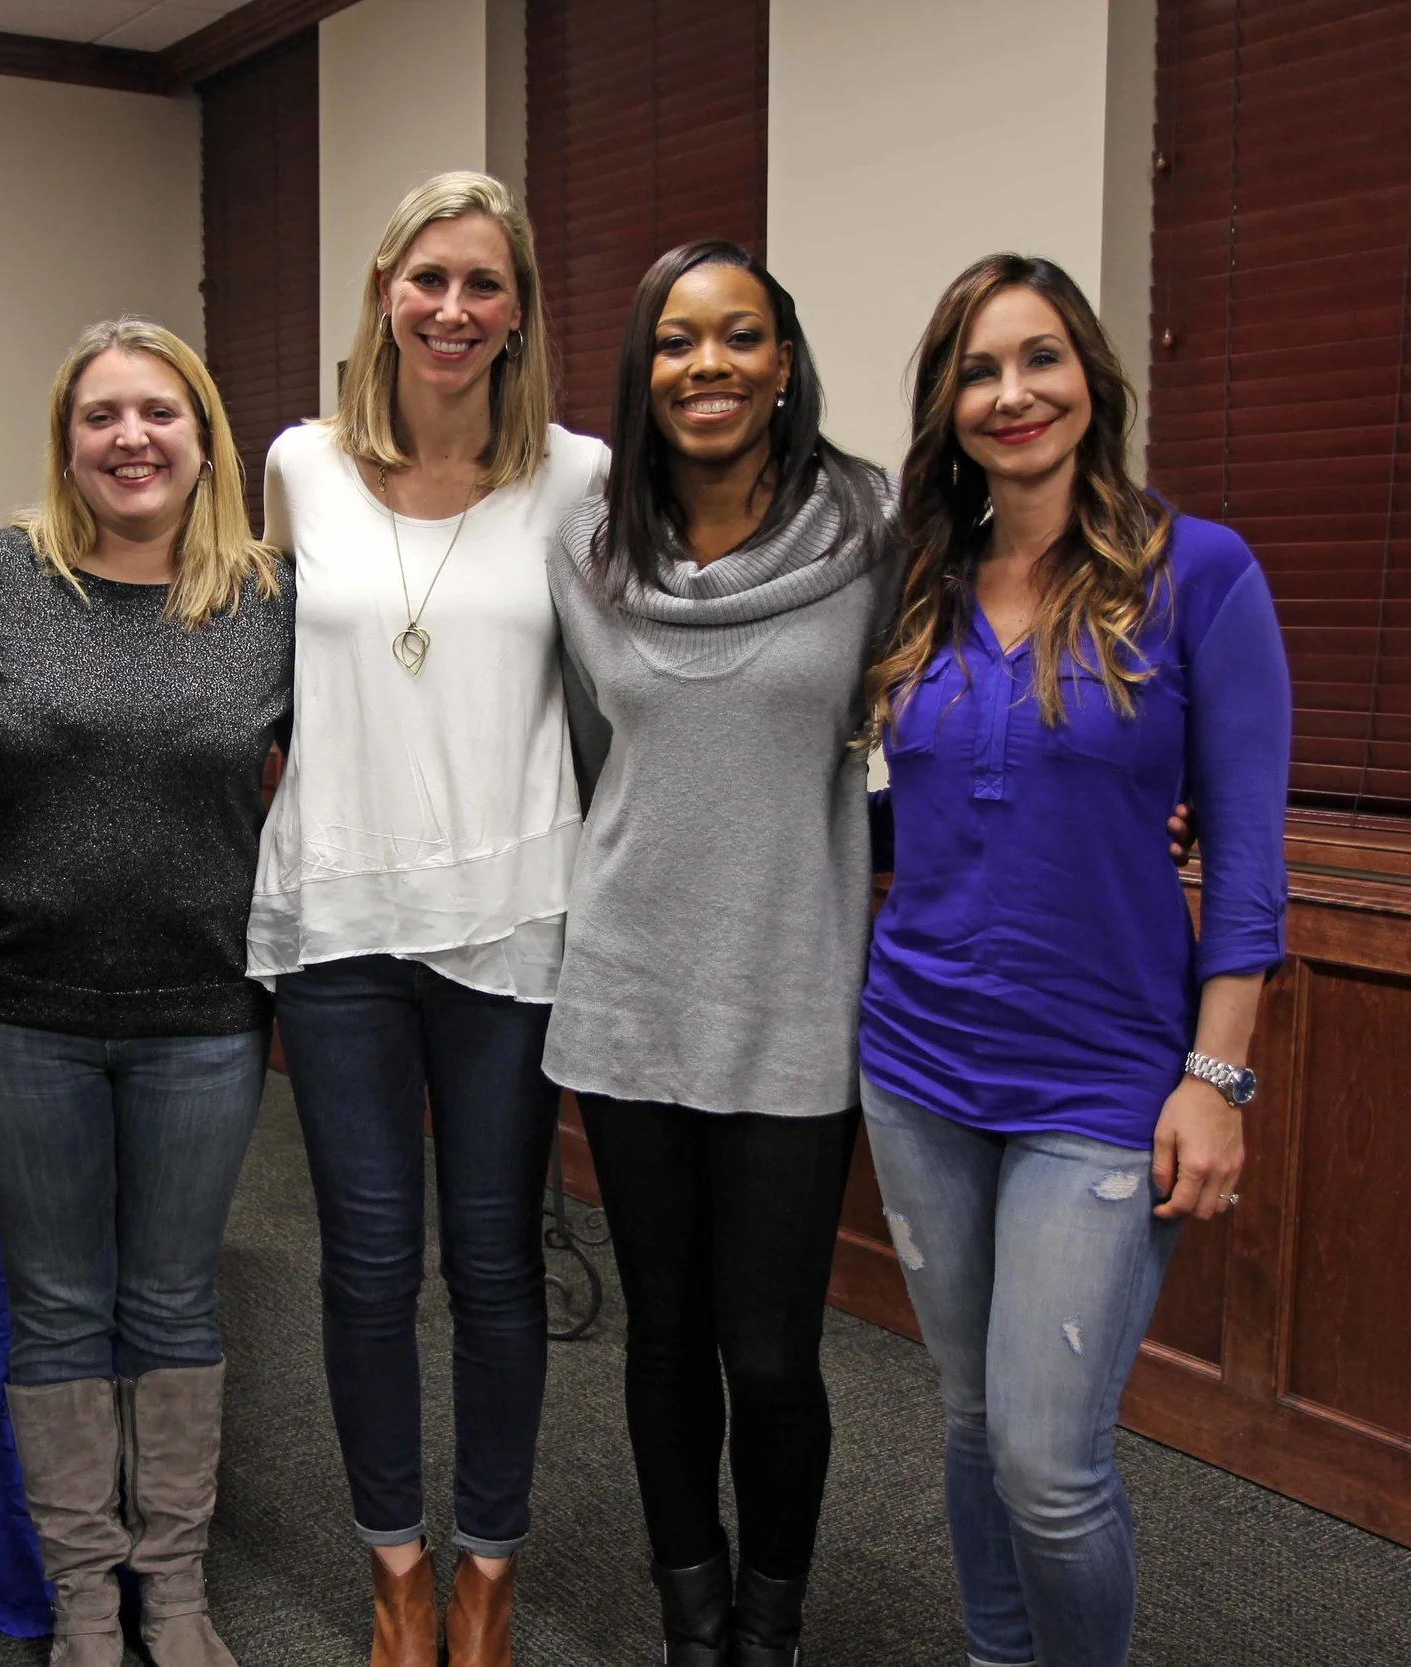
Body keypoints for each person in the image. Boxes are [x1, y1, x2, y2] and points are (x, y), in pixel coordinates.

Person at [857, 253, 1290, 1667]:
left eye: (1039, 358)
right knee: (972, 1420)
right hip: (919, 1066)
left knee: (1049, 1461)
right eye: (978, 371)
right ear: (948, 407)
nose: (1013, 393)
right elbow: (912, 804)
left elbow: (1247, 853)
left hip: (1102, 1080)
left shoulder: (1197, 575)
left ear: (1092, 379)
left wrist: (1217, 1077)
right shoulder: (920, 583)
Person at [247, 170, 606, 1667]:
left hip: (510, 912)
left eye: (483, 284)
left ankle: (489, 1570)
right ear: (385, 292)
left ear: (519, 310)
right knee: (367, 1260)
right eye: (428, 280)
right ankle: (397, 1564)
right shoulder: (299, 463)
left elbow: (629, 677)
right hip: (338, 908)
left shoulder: (578, 477)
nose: (453, 310)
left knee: (498, 1262)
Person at [544, 240, 900, 1667]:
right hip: (629, 989)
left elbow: (949, 707)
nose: (710, 365)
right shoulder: (588, 550)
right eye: (678, 341)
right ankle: (692, 1618)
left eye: (741, 336)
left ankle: (771, 1624)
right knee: (665, 1337)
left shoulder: (871, 529)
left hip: (793, 987)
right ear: (643, 372)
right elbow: (589, 756)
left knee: (772, 1351)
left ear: (784, 362)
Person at [0, 318, 289, 1667]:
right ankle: (86, 1596)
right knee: (61, 1304)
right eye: (102, 416)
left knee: (175, 1300)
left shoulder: (269, 599)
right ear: (66, 439)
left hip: (204, 1016)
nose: (131, 438)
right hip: (15, 1012)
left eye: (159, 412)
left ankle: (173, 1588)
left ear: (205, 439)